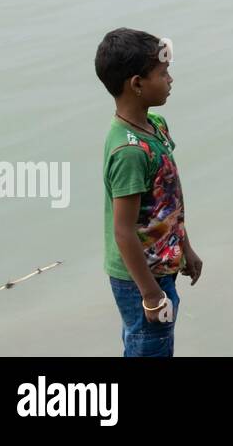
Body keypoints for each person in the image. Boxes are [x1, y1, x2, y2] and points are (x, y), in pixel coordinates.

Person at [96, 27, 201, 357]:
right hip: (140, 279)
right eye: (162, 73)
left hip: (160, 268)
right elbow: (123, 232)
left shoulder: (155, 125)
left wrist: (186, 248)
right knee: (148, 346)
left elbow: (166, 202)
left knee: (147, 344)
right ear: (137, 84)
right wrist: (151, 296)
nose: (170, 80)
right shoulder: (129, 153)